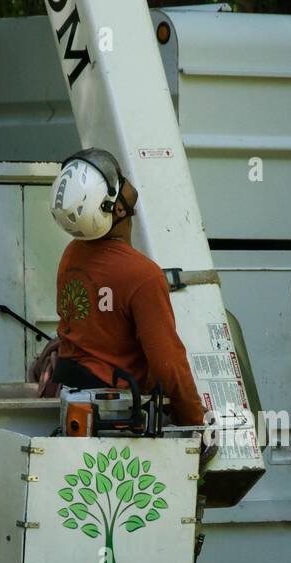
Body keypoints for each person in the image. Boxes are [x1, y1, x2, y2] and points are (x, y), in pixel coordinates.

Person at [46, 147, 205, 426]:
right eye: (120, 180)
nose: (127, 181)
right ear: (117, 208)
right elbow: (168, 363)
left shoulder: (71, 255)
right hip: (112, 412)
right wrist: (194, 422)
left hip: (71, 391)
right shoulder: (142, 275)